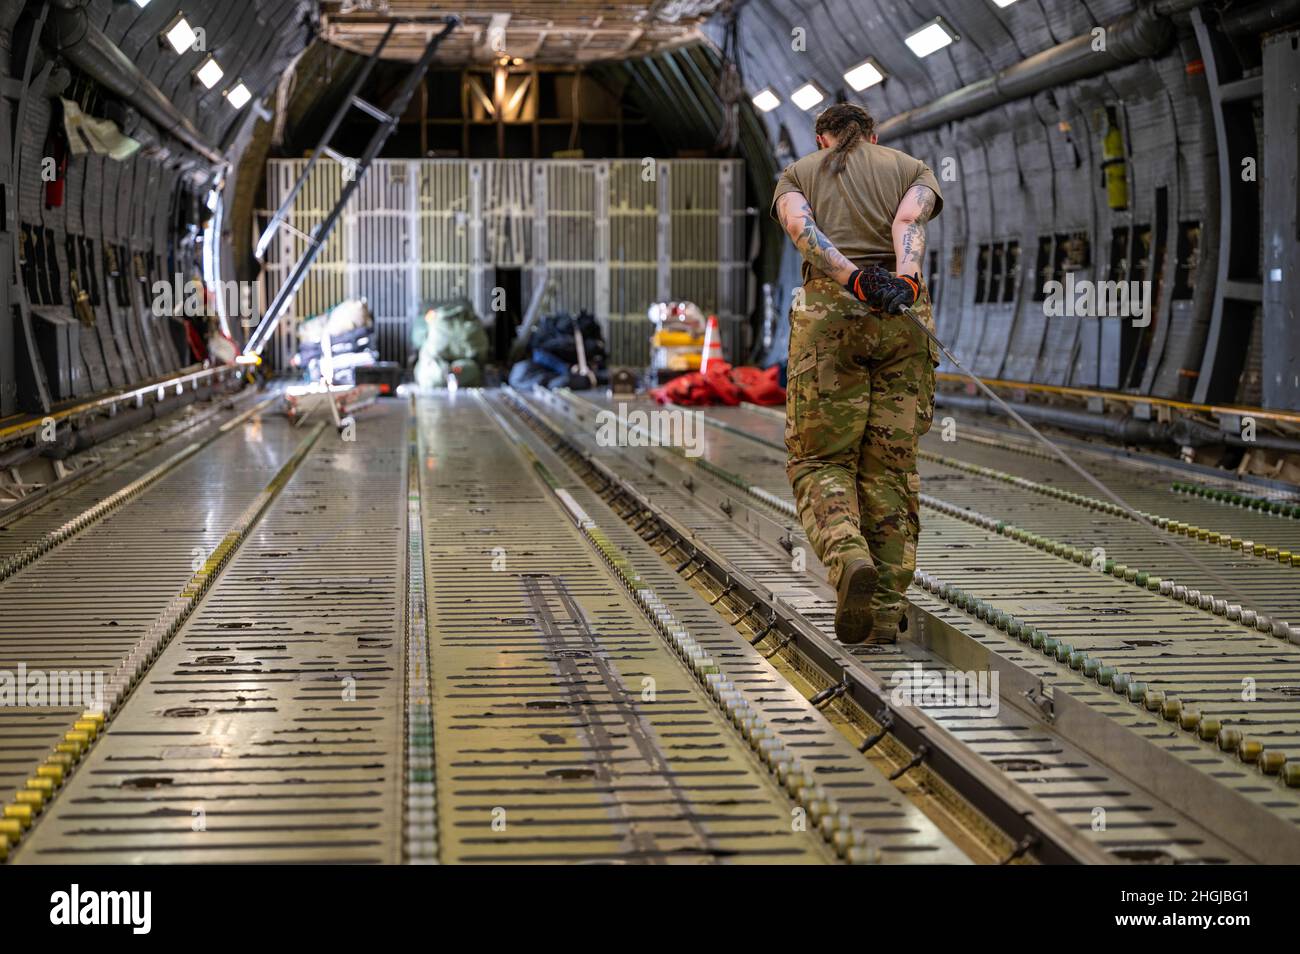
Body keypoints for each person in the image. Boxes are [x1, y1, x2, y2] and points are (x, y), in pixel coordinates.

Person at [771, 102, 942, 645]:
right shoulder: (912, 169)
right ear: (873, 133)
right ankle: (887, 612)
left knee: (820, 457)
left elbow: (803, 229)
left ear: (823, 138)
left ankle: (848, 558)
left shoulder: (798, 173)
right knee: (890, 471)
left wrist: (854, 279)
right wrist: (904, 282)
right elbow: (908, 221)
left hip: (832, 321)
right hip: (903, 320)